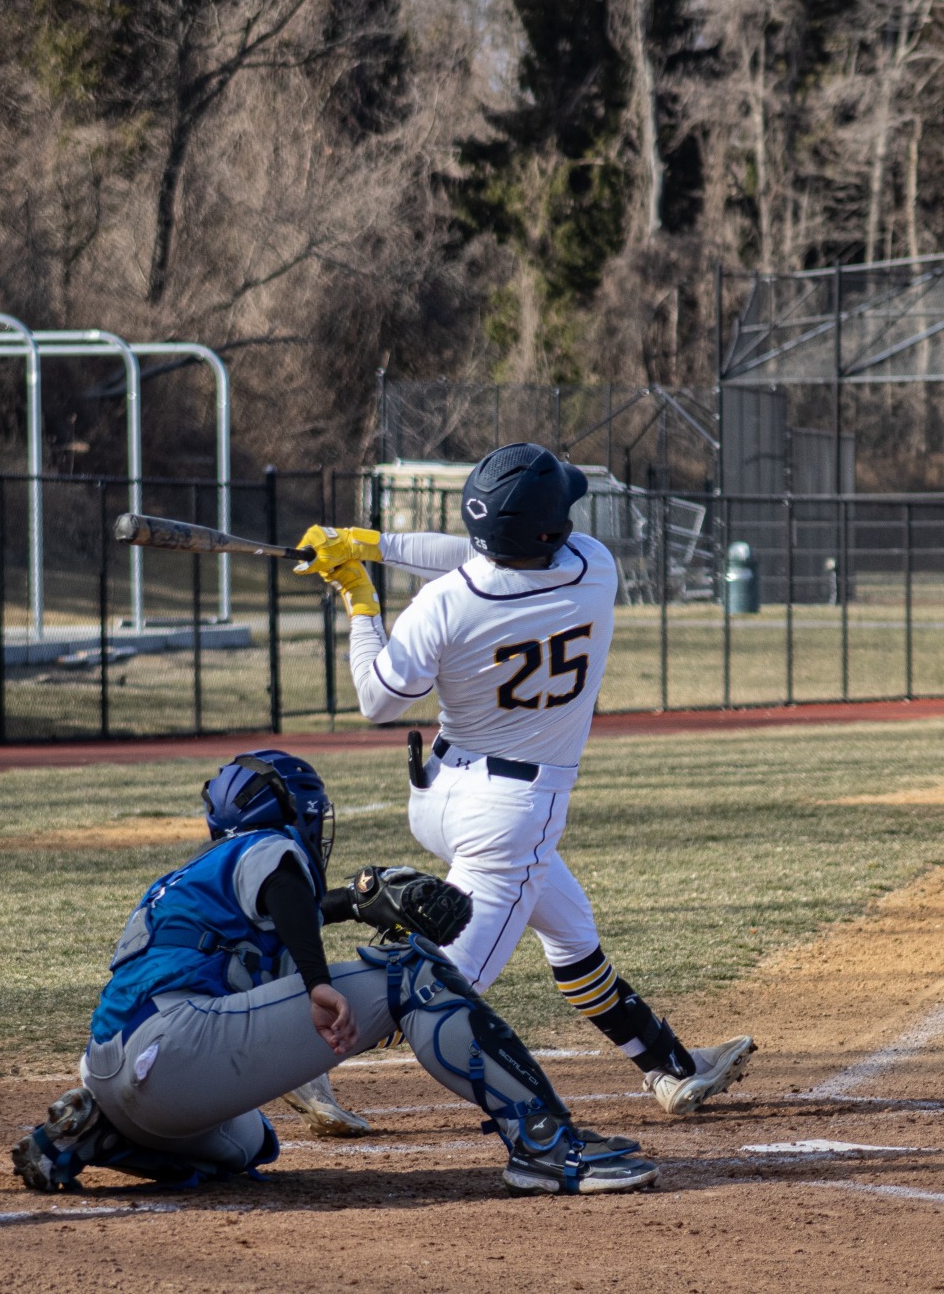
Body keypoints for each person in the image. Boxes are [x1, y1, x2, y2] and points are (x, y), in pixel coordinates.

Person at [287, 443, 755, 1138]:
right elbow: (484, 557)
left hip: (439, 792)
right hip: (513, 815)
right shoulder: (596, 568)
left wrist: (361, 595)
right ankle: (294, 1054)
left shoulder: (441, 604)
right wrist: (376, 548)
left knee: (571, 931)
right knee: (445, 985)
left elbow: (375, 698)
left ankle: (670, 1064)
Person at [11, 751, 659, 1197]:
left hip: (119, 1070)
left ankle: (92, 1135)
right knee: (408, 972)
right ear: (286, 811)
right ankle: (544, 1142)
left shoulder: (193, 882)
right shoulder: (268, 849)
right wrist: (321, 980)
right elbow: (287, 891)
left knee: (252, 1143)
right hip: (175, 1044)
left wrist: (351, 901)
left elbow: (281, 917)